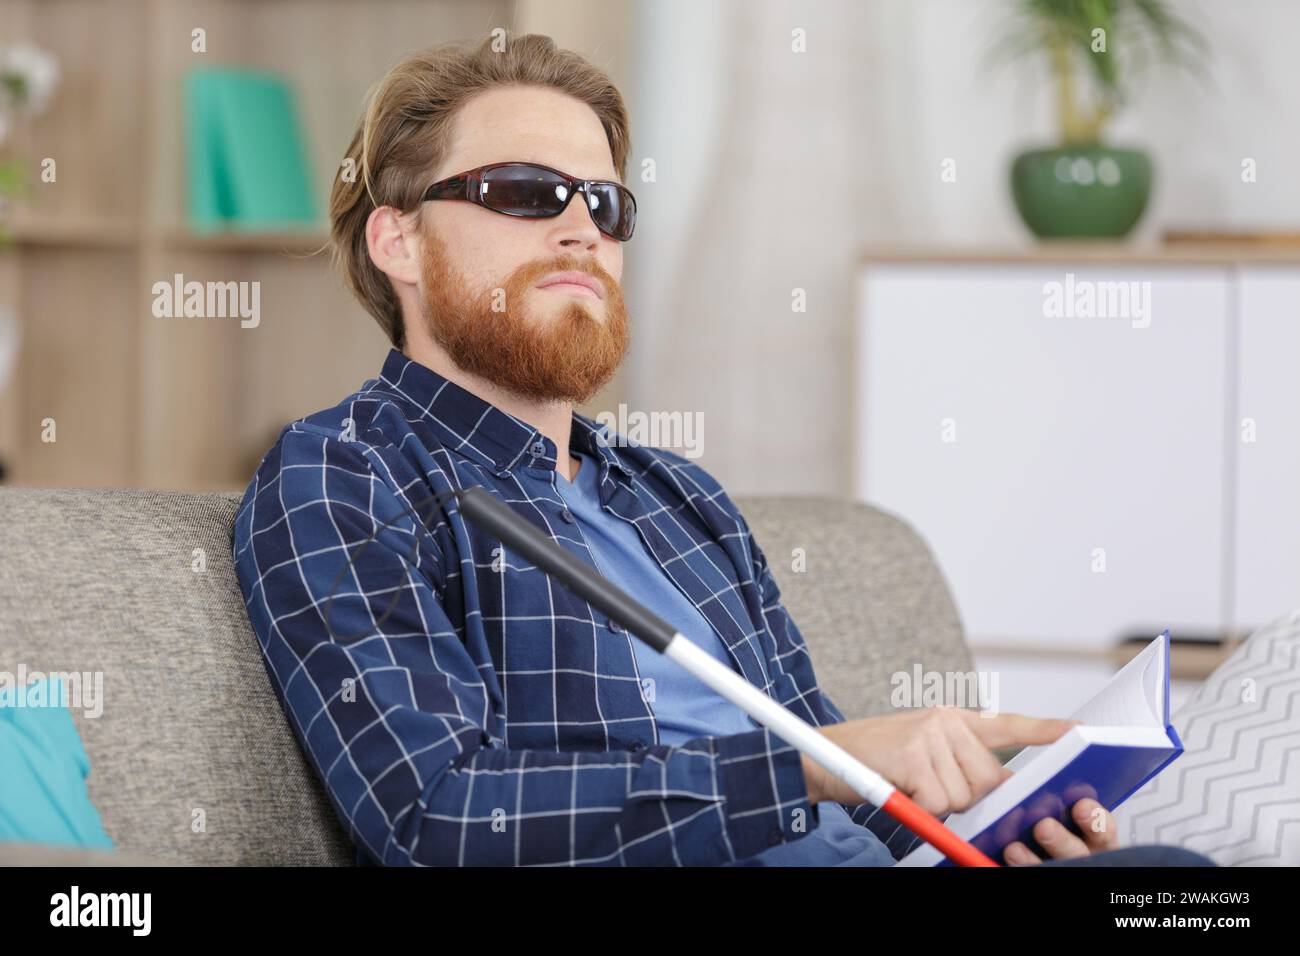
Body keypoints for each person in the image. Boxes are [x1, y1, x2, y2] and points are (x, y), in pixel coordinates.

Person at [232, 33, 1213, 868]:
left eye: (606, 204)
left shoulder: (677, 495)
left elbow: (857, 792)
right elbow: (431, 812)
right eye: (527, 192)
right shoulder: (343, 474)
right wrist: (811, 764)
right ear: (396, 242)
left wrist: (992, 822)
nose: (581, 228)